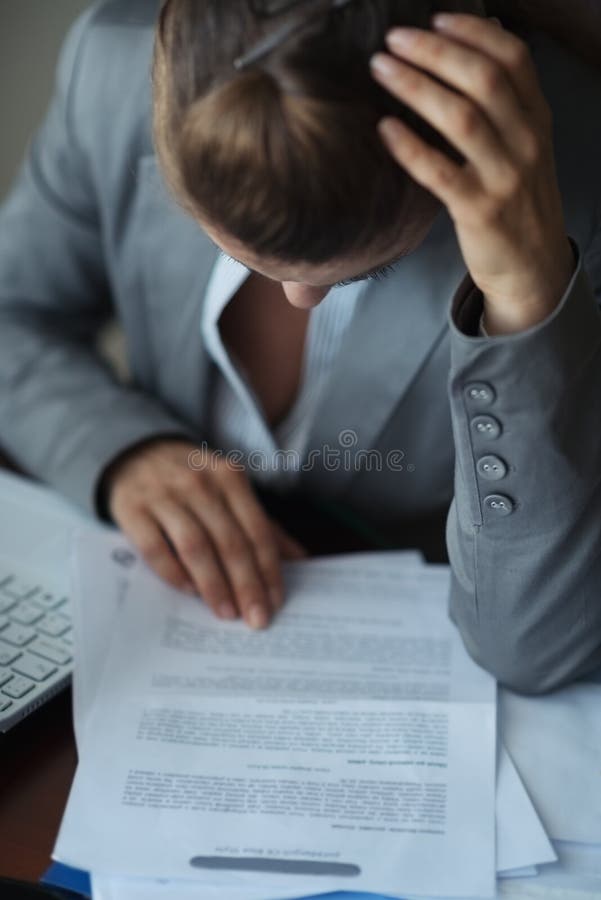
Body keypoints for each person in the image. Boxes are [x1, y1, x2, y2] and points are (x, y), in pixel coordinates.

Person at [0, 0, 600, 693]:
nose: (298, 298)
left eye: (365, 272)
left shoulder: (580, 185)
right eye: (230, 244)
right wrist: (120, 449)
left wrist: (524, 295)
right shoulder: (108, 67)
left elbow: (534, 646)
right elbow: (13, 314)